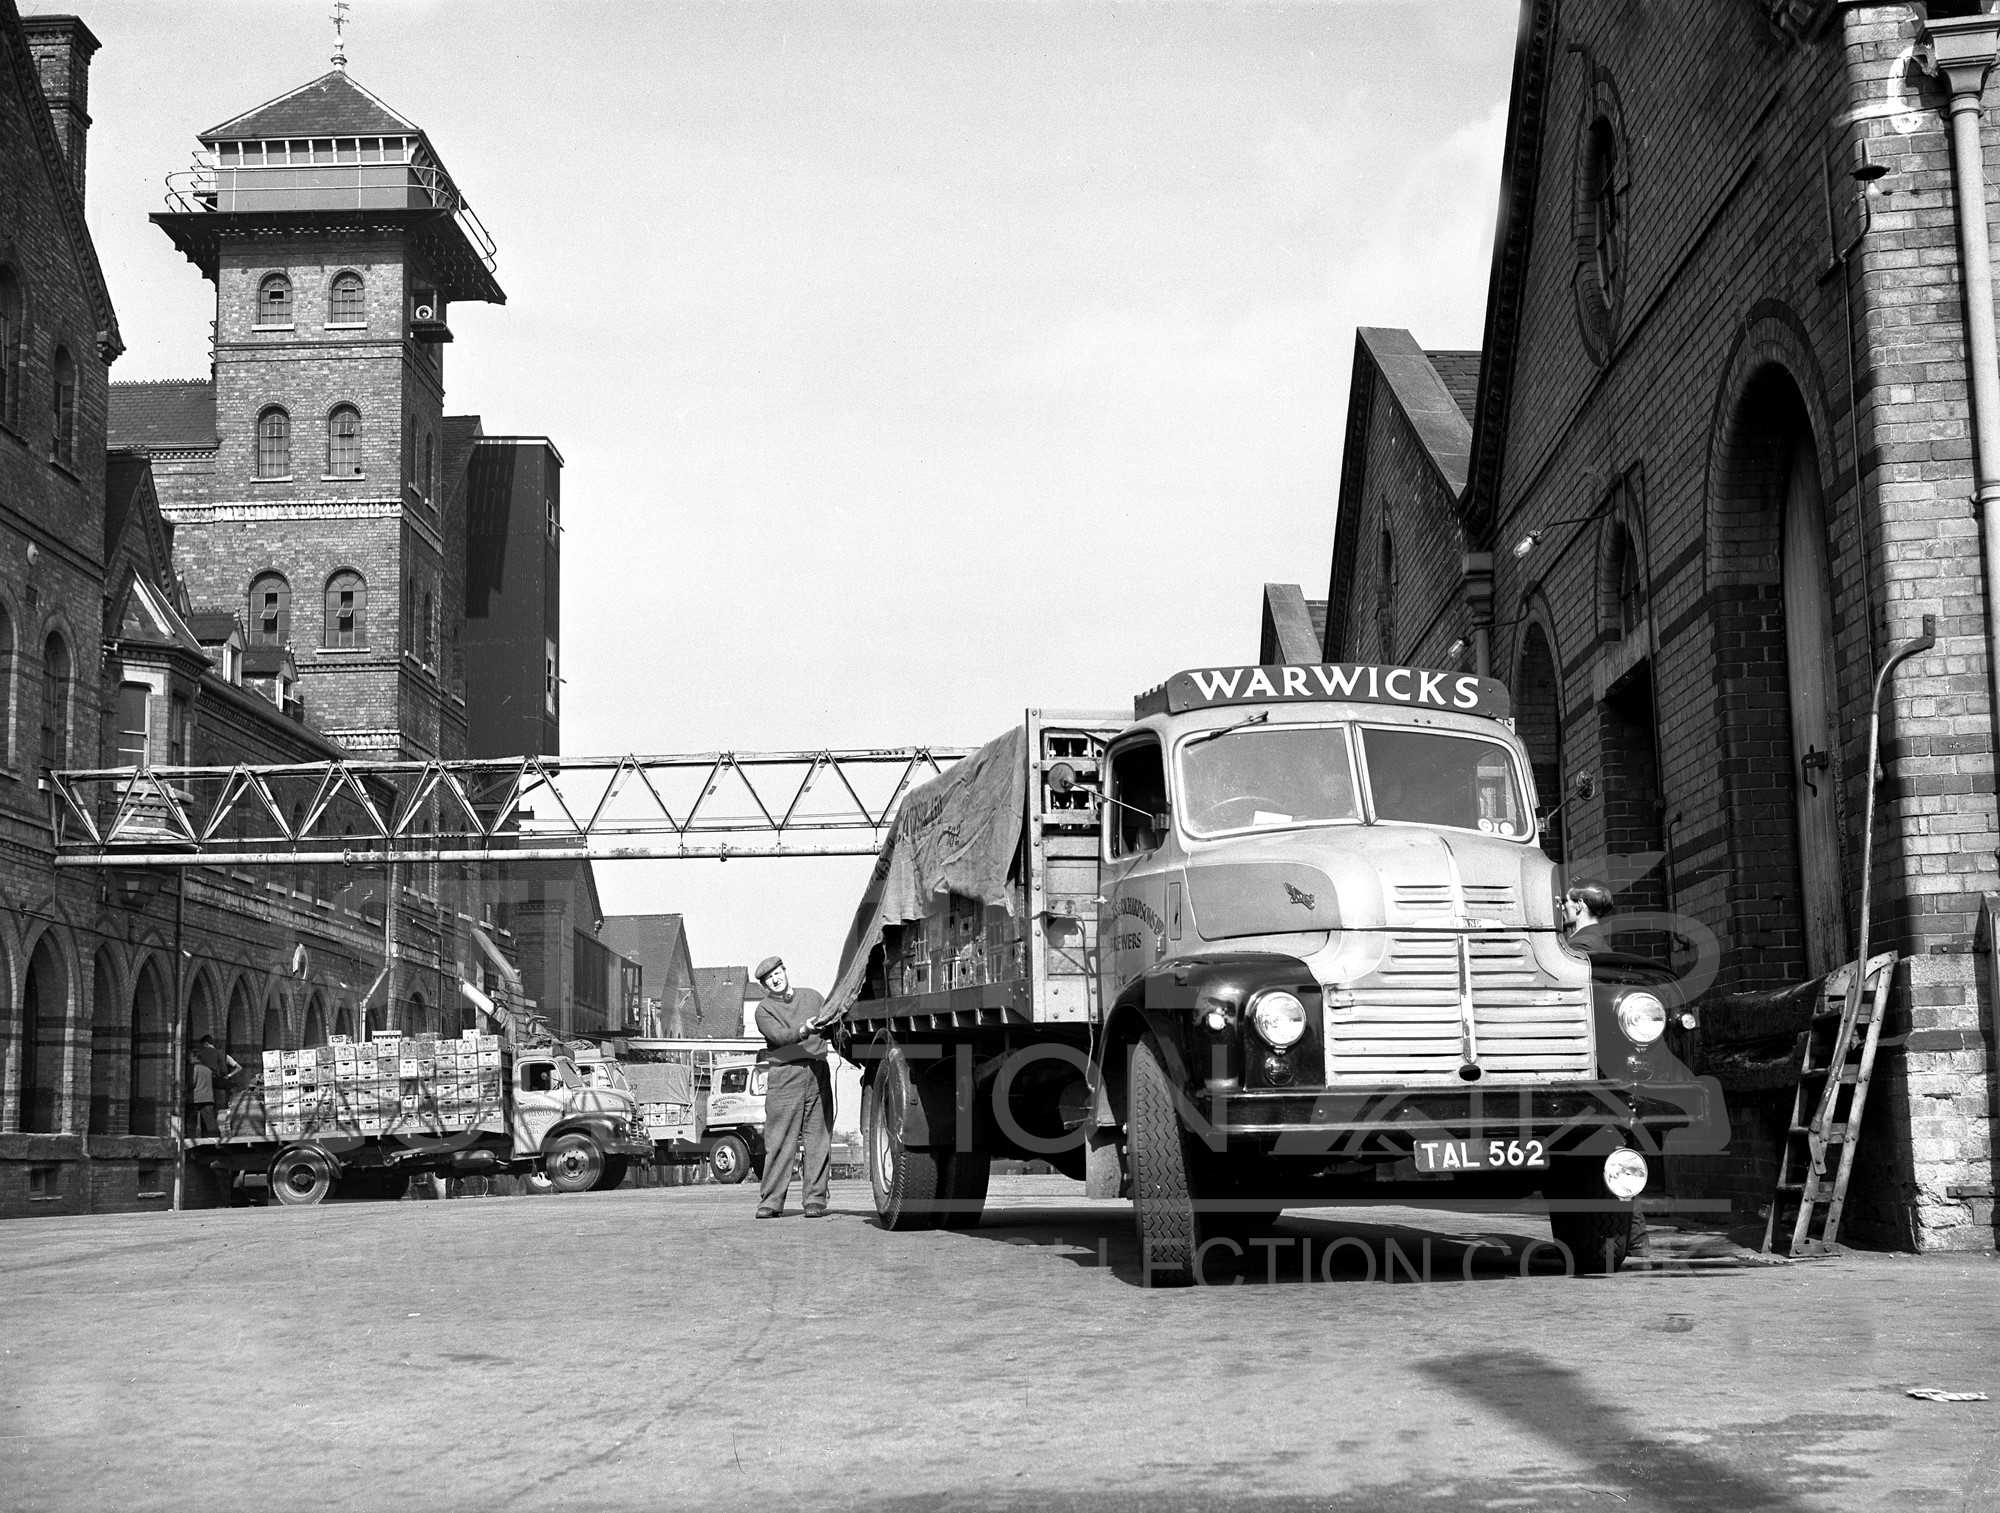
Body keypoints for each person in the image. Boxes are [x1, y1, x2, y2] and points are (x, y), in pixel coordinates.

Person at [751, 955, 842, 1220]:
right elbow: (780, 1037)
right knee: (779, 1141)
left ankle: (815, 1200)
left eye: (777, 973)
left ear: (784, 970)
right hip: (785, 1076)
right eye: (769, 979)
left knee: (818, 1139)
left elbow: (833, 1024)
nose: (775, 979)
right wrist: (804, 1028)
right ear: (765, 985)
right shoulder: (764, 1010)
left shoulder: (813, 997)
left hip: (817, 1073)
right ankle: (770, 1202)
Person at [1562, 880, 1616, 955]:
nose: (1562, 907)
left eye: (1565, 901)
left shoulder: (1578, 946)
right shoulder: (1598, 942)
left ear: (1579, 905)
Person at [187, 1052, 219, 1139]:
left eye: (190, 1056)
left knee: (192, 1121)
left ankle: (191, 1139)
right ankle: (213, 1139)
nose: (188, 1059)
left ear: (195, 1057)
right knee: (209, 1121)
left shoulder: (194, 1068)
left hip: (196, 1098)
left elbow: (192, 1083)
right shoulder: (208, 1069)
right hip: (208, 1098)